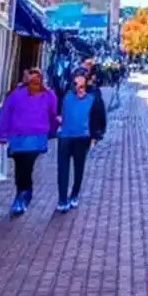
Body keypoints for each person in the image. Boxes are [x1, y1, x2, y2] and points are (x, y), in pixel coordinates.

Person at [0, 69, 60, 217]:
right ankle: (22, 193)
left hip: (36, 138)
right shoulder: (15, 95)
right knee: (20, 167)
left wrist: (53, 129)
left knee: (26, 166)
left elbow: (52, 115)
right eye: (32, 79)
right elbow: (6, 114)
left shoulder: (48, 95)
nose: (34, 82)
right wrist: (2, 135)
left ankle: (23, 194)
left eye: (37, 79)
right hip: (18, 137)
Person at [56, 69, 107, 213]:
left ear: (87, 79)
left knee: (78, 167)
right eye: (76, 77)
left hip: (82, 136)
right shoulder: (66, 90)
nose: (78, 79)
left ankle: (74, 194)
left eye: (81, 77)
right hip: (65, 135)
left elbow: (99, 116)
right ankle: (62, 199)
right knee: (62, 168)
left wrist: (95, 136)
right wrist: (57, 117)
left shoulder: (93, 95)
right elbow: (56, 105)